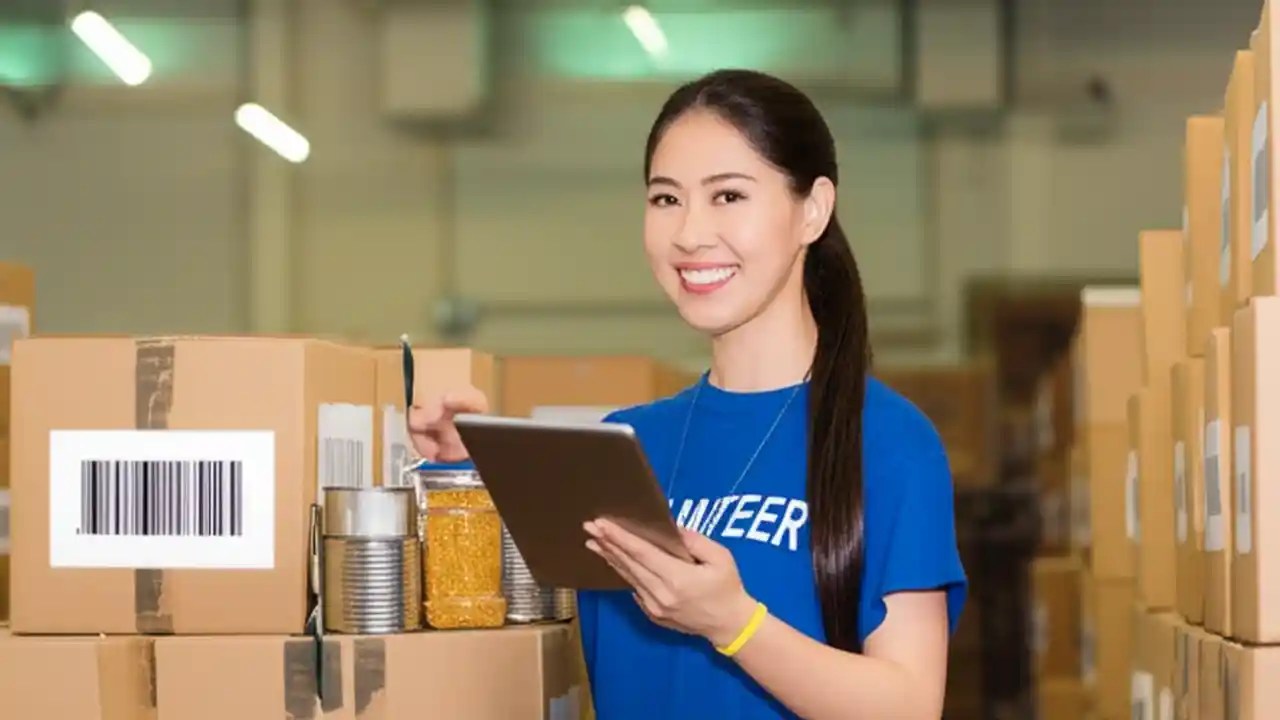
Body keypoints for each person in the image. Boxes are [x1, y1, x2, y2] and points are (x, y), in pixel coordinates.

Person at [408, 68, 967, 720]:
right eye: (666, 198)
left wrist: (736, 623)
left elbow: (908, 705)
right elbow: (492, 625)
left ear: (812, 210)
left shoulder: (890, 442)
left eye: (728, 195)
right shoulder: (622, 447)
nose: (689, 233)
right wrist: (469, 470)